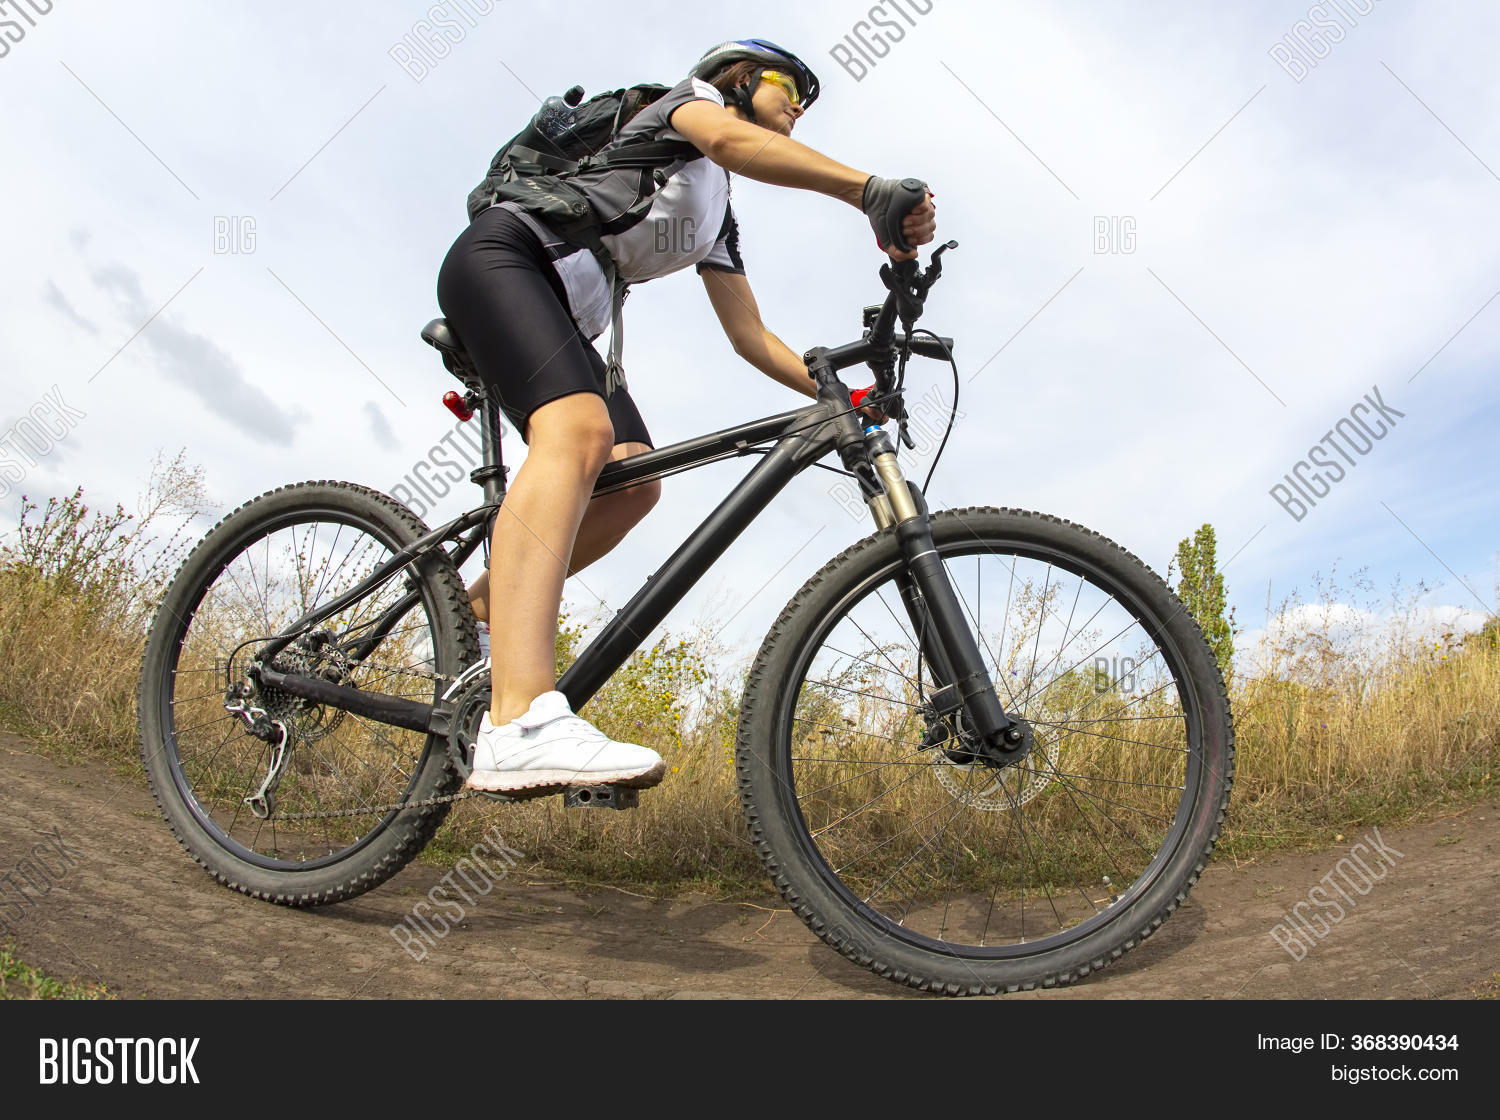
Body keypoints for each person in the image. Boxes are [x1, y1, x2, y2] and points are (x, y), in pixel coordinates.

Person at [435, 38, 936, 793]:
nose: (798, 102)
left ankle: (468, 608)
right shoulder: (686, 106)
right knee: (579, 433)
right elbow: (735, 139)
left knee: (634, 483)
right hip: (506, 259)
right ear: (739, 77)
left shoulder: (716, 217)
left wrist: (847, 398)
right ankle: (517, 720)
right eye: (787, 84)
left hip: (566, 322)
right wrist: (869, 190)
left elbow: (750, 338)